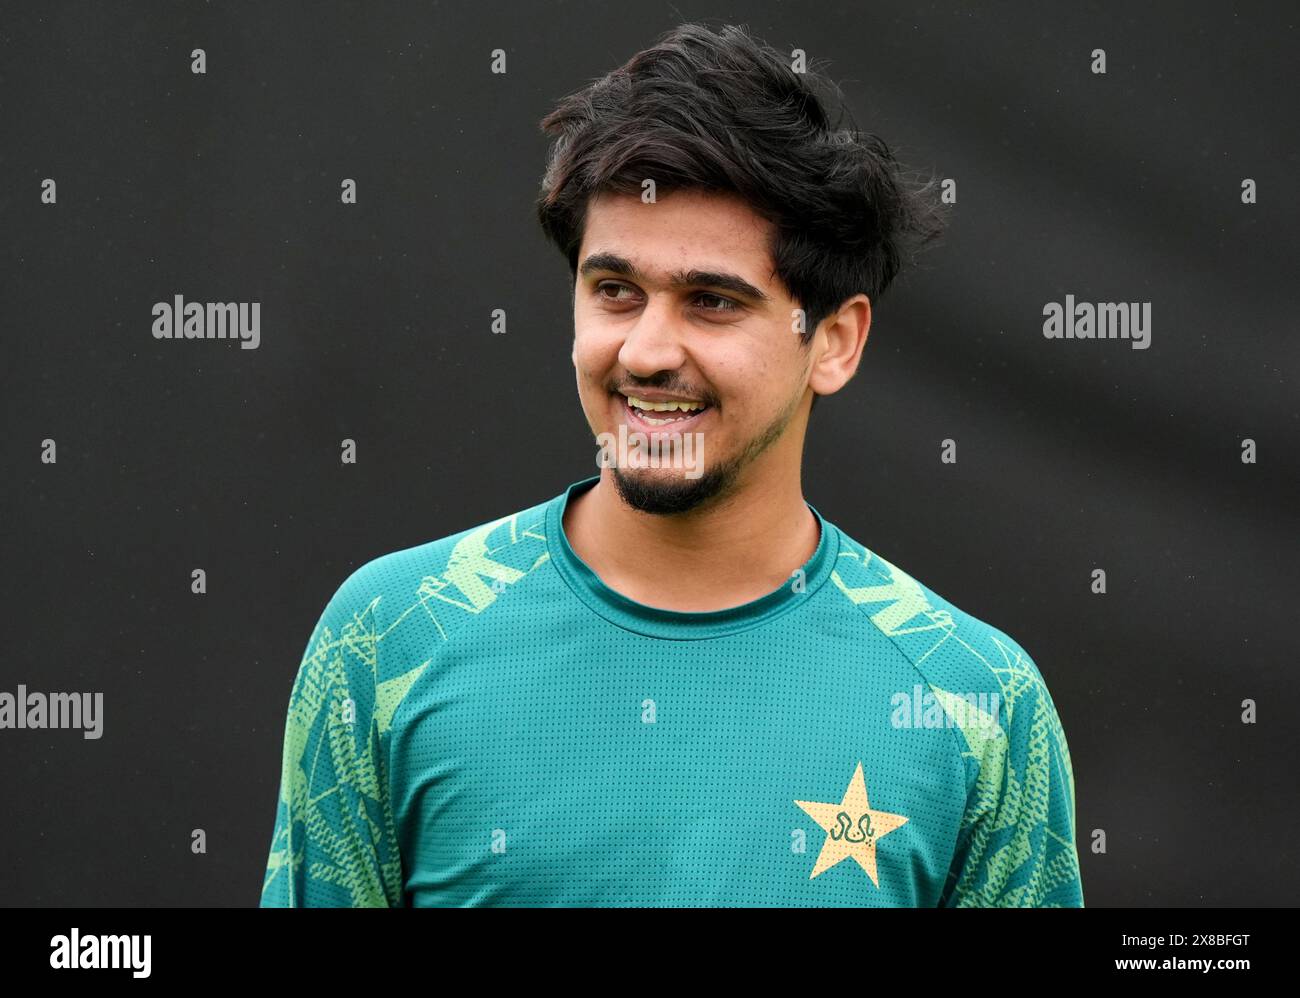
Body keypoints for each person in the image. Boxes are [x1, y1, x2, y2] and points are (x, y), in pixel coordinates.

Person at [259, 21, 1083, 907]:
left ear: (834, 341)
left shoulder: (974, 703)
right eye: (615, 291)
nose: (648, 351)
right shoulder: (388, 642)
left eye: (712, 301)